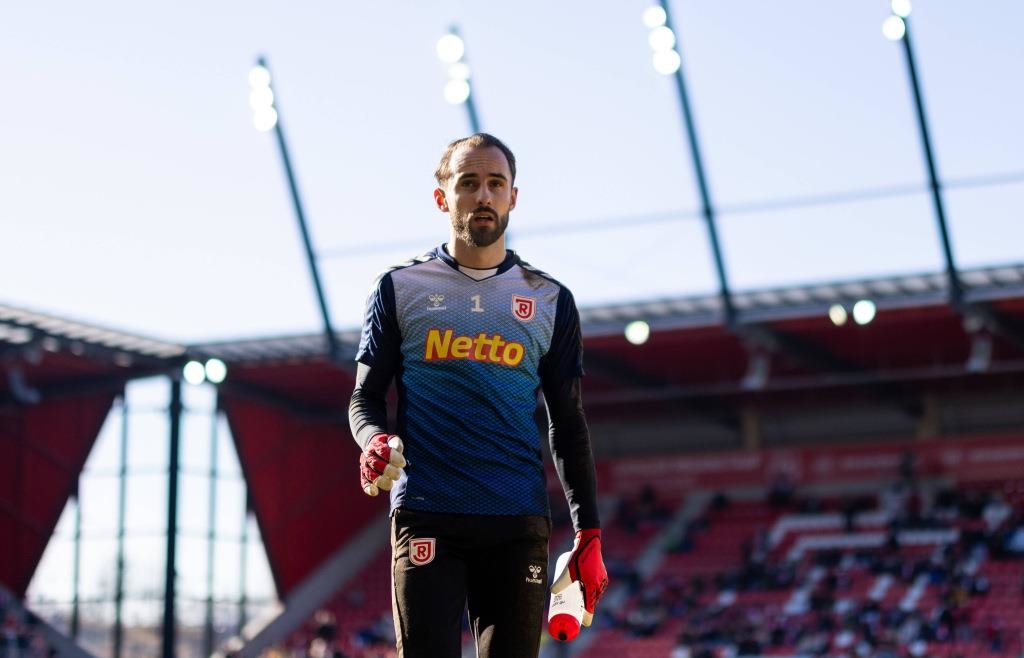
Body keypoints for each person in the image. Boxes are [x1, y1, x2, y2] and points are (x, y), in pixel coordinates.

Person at [349, 133, 608, 658]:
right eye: (469, 183)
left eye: (496, 184)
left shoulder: (551, 299)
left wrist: (590, 532)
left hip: (516, 519)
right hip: (428, 510)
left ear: (514, 196)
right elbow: (364, 398)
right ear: (443, 198)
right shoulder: (400, 288)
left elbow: (568, 422)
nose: (484, 195)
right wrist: (373, 440)